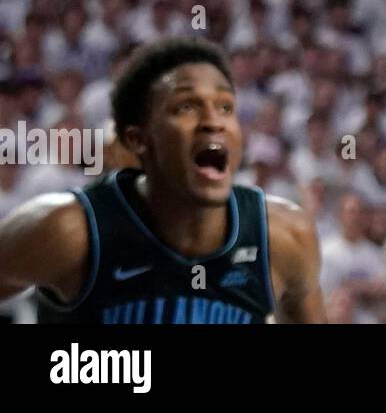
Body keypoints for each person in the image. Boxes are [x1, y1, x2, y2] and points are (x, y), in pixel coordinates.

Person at [0, 38, 325, 323]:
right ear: (137, 139)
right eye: (186, 107)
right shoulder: (68, 231)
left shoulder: (283, 236)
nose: (214, 122)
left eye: (226, 107)